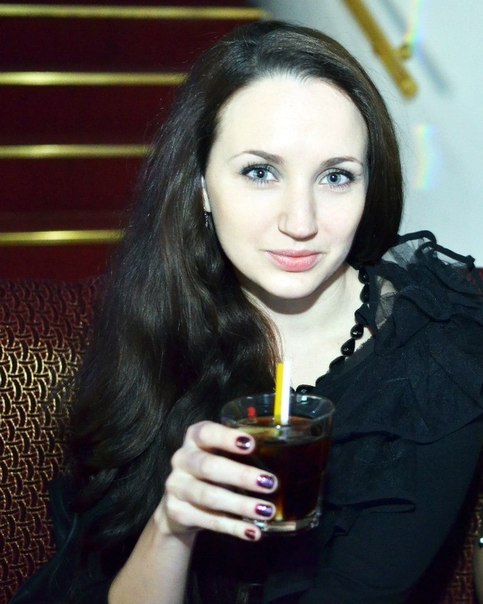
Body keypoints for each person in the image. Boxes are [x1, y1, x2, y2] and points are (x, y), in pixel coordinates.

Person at [12, 20, 483, 604]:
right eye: (261, 172)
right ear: (201, 185)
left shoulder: (437, 355)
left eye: (336, 176)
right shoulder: (159, 321)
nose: (301, 222)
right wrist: (172, 527)